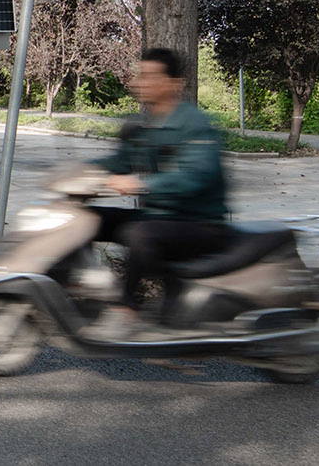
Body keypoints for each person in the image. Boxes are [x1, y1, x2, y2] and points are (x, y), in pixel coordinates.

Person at [85, 47, 230, 341]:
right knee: (88, 218)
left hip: (199, 223)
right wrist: (83, 171)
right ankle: (83, 286)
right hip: (158, 216)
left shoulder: (193, 123)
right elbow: (119, 162)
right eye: (141, 75)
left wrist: (142, 184)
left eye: (151, 76)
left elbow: (197, 175)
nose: (141, 83)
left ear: (174, 84)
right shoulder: (146, 124)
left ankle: (126, 309)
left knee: (141, 233)